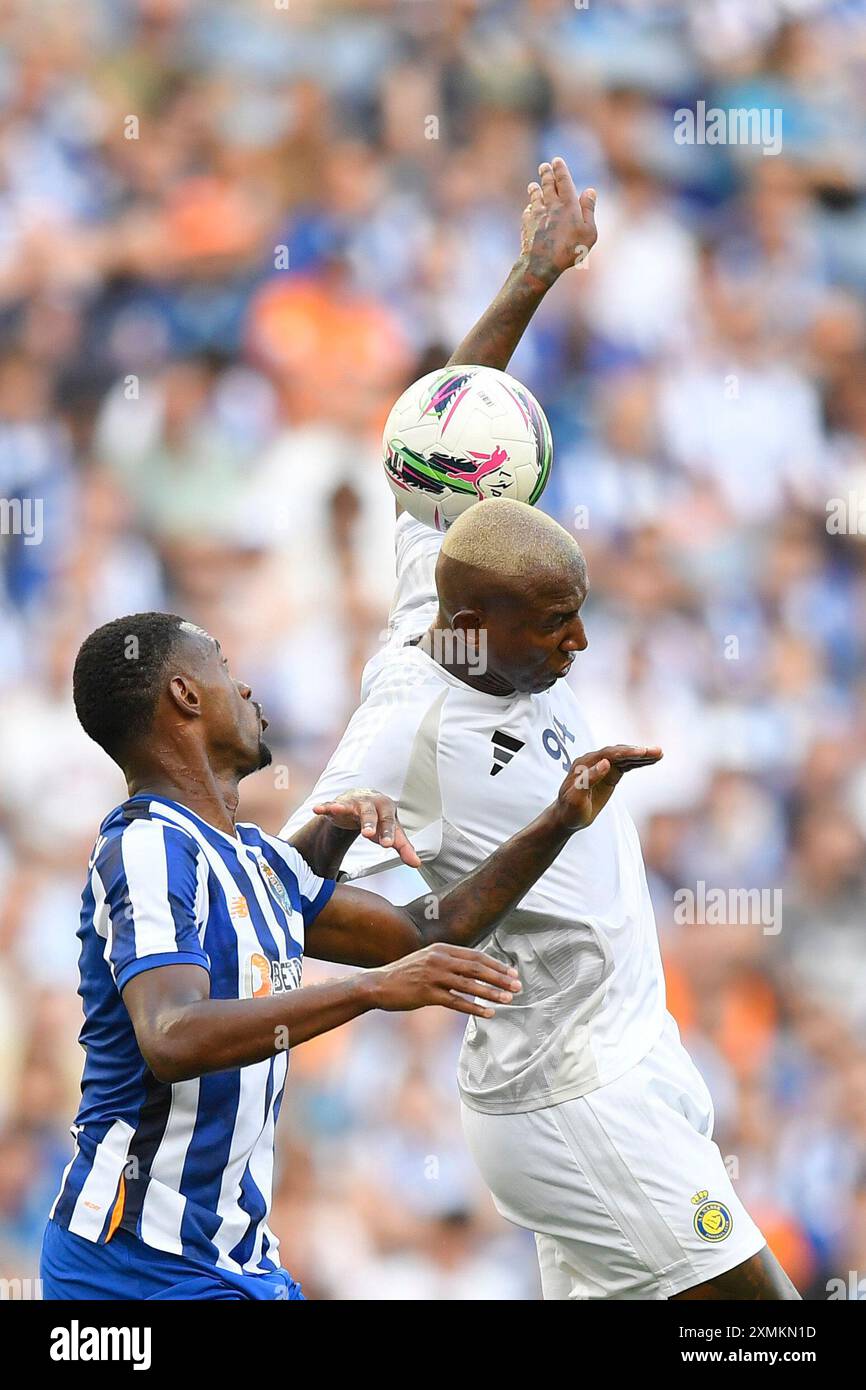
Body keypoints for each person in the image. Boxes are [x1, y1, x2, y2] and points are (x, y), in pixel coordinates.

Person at [281, 158, 800, 1300]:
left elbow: (455, 412)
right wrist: (421, 931)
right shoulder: (403, 724)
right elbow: (277, 897)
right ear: (475, 624)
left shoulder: (449, 575)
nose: (575, 650)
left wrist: (534, 269)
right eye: (554, 629)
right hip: (573, 1095)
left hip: (627, 1056)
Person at [41, 610, 648, 1300]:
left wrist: (558, 820)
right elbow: (173, 1037)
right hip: (132, 1264)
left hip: (233, 1256)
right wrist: (368, 991)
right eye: (226, 670)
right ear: (184, 695)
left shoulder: (258, 859)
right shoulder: (148, 846)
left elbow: (426, 933)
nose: (244, 690)